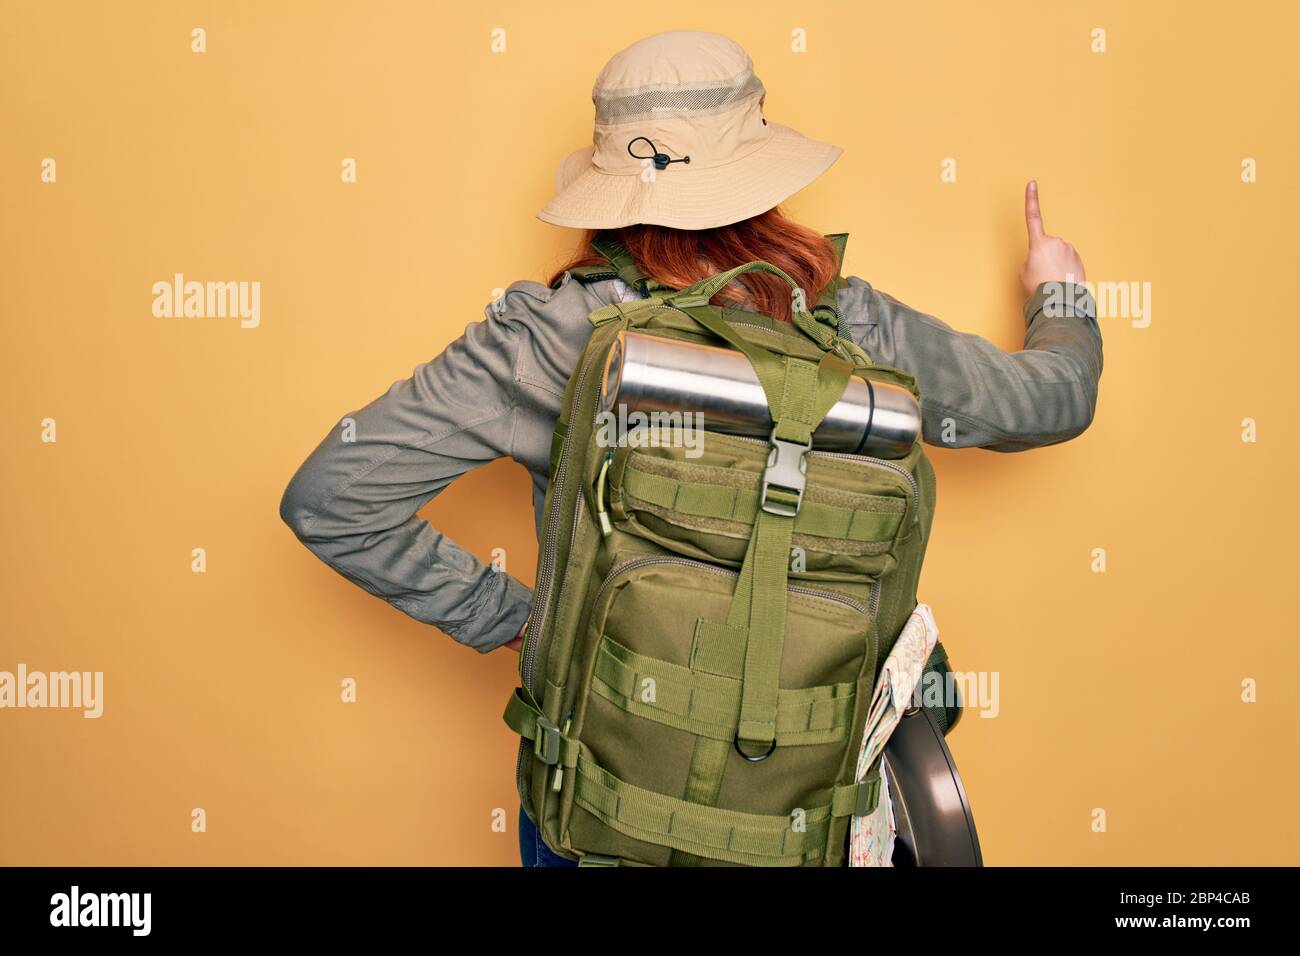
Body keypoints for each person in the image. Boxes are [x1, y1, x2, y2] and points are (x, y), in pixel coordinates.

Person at [279, 30, 1102, 867]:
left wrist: (528, 626)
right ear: (759, 171)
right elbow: (1053, 401)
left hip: (598, 809)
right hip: (803, 812)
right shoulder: (847, 322)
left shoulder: (543, 336)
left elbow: (333, 499)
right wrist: (1059, 289)